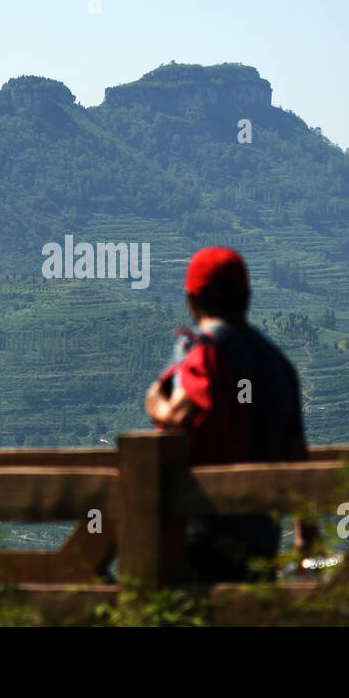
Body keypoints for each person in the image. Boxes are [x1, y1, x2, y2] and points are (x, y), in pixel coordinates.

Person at [144, 247, 307, 583]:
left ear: (191, 301)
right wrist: (306, 532)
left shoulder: (206, 350)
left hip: (201, 533)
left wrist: (153, 401)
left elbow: (177, 415)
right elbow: (297, 455)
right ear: (246, 299)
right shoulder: (278, 363)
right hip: (261, 536)